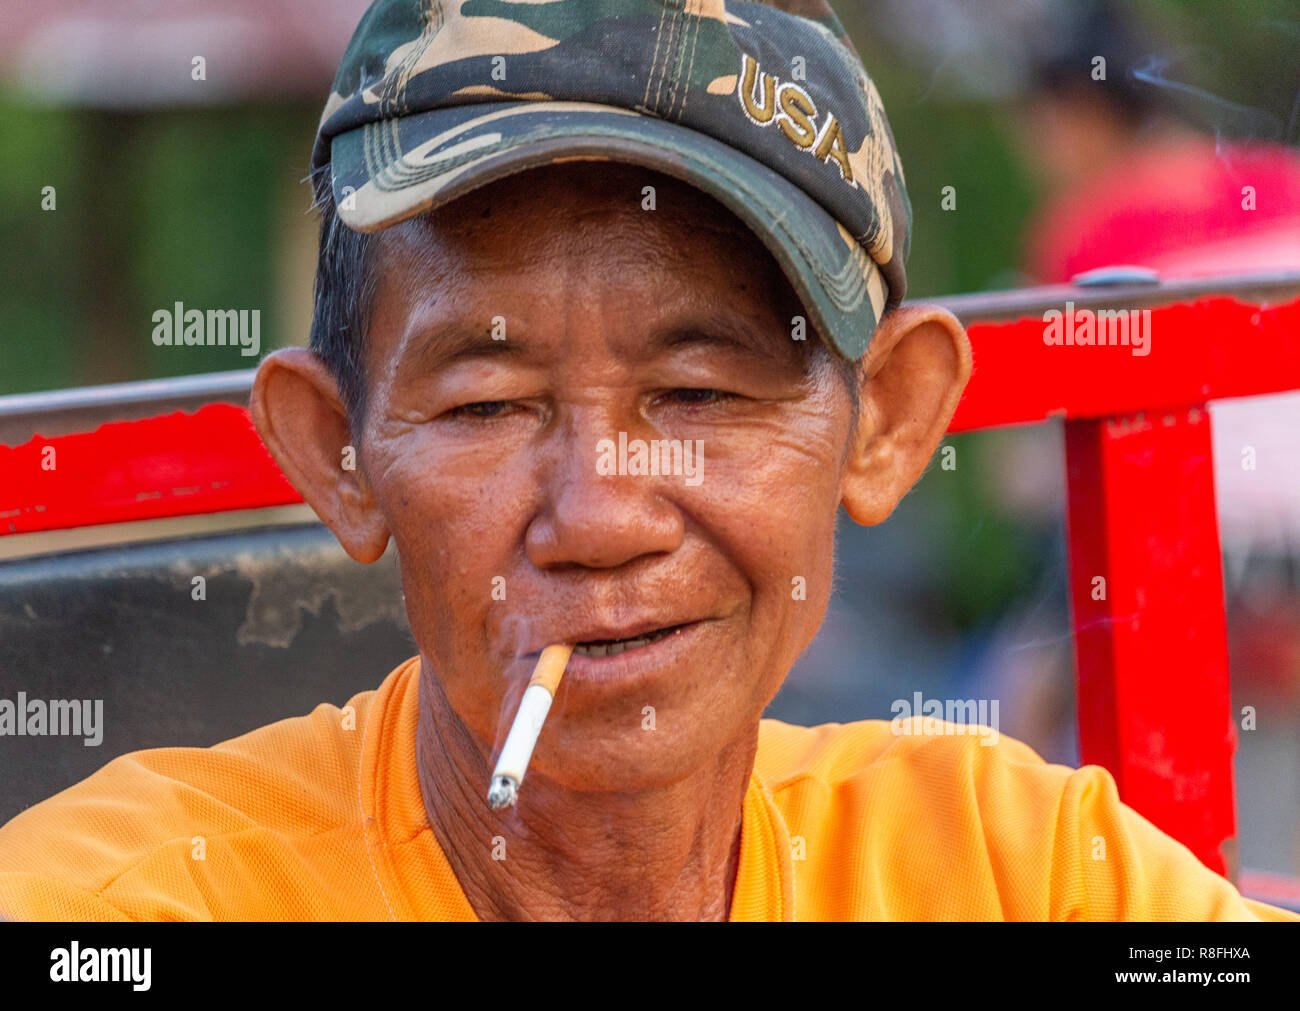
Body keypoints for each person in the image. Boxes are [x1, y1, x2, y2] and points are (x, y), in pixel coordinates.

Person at [0, 0, 1294, 922]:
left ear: (889, 423)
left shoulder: (1023, 877)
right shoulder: (119, 912)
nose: (601, 514)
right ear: (337, 449)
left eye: (697, 390)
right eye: (488, 406)